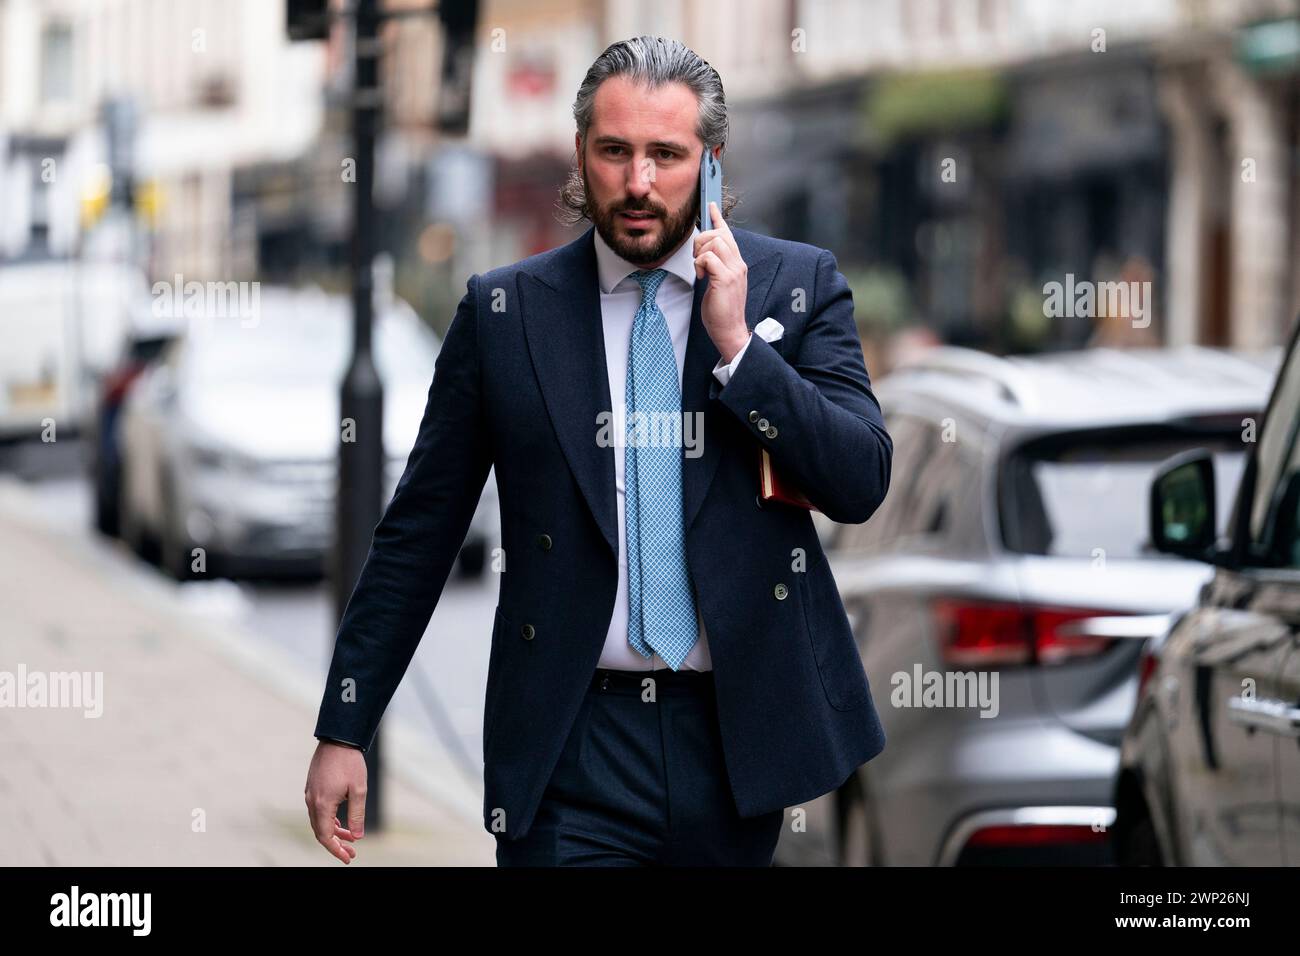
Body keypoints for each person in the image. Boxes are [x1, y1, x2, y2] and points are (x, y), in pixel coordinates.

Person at [304, 35, 893, 867]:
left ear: (713, 163)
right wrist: (345, 725)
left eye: (667, 154)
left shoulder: (796, 288)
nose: (639, 182)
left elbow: (860, 479)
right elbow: (418, 533)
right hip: (569, 744)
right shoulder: (505, 312)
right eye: (615, 151)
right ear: (581, 154)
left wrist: (740, 352)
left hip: (734, 743)